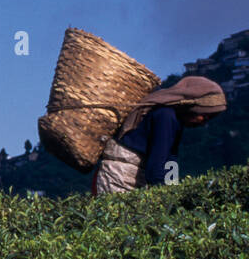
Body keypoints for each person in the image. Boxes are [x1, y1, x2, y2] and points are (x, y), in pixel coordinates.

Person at [93, 76, 227, 195]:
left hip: (128, 177)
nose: (203, 122)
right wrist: (167, 197)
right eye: (204, 116)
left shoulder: (175, 121)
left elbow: (171, 159)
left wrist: (174, 188)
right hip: (120, 178)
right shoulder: (165, 116)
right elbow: (156, 165)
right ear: (192, 107)